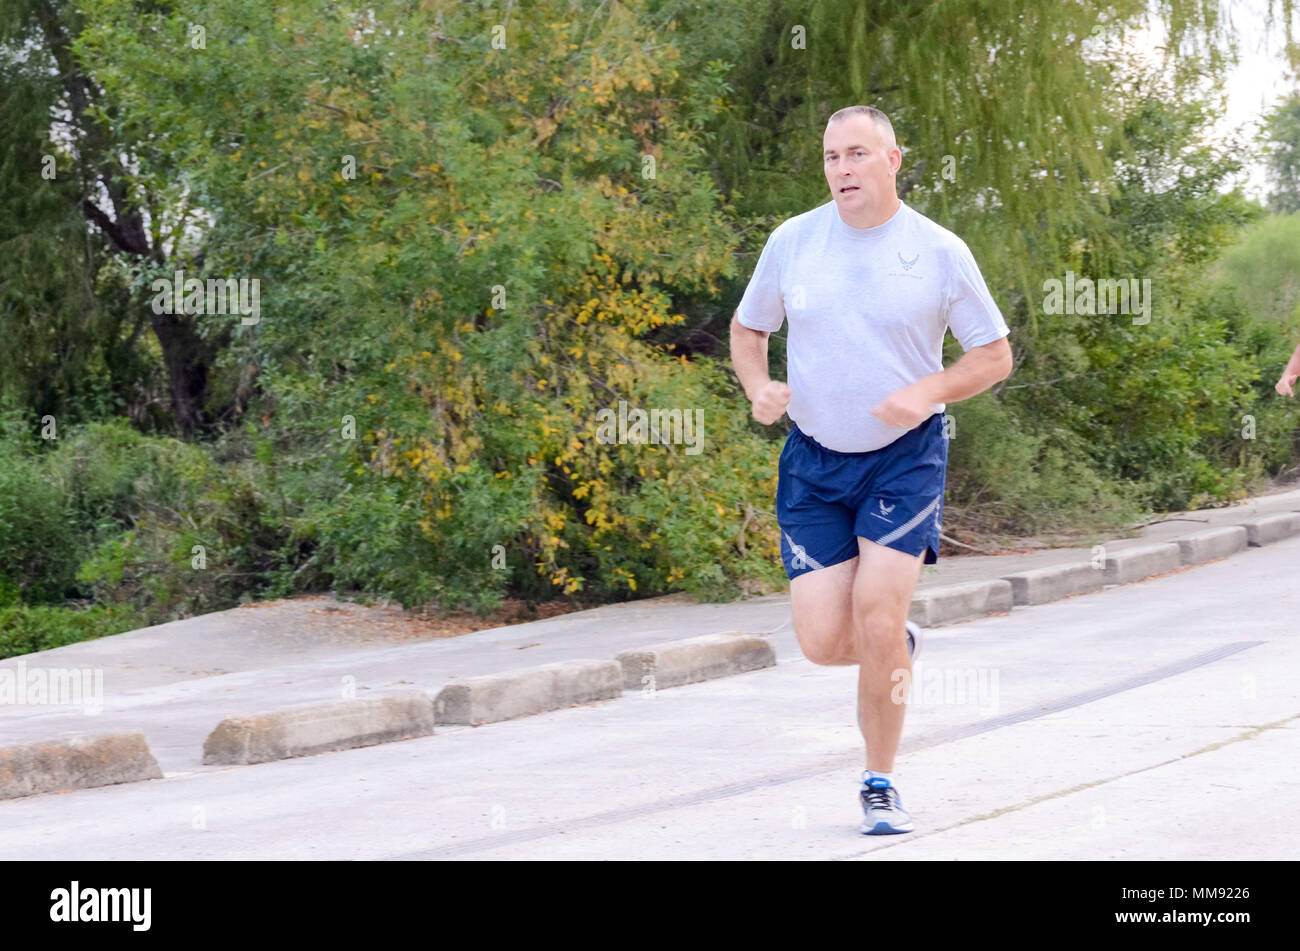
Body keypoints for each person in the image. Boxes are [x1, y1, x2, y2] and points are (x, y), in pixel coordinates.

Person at [729, 105, 1013, 834]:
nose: (842, 169)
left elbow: (992, 355)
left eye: (857, 154)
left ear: (893, 160)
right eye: (831, 157)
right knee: (827, 642)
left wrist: (927, 390)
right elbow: (749, 327)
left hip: (904, 458)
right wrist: (758, 386)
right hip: (814, 460)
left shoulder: (939, 250)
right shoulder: (793, 241)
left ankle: (879, 780)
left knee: (877, 611)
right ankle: (897, 647)